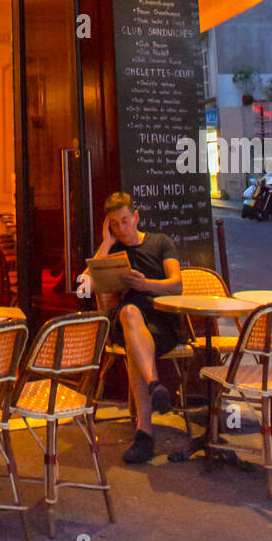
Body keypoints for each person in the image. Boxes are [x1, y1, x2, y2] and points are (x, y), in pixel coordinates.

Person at [93, 191, 183, 465]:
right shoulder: (115, 251)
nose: (122, 229)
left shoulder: (160, 242)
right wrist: (105, 244)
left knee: (134, 345)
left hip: (163, 321)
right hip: (130, 318)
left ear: (136, 217)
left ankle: (145, 434)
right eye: (114, 225)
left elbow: (177, 284)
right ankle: (154, 385)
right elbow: (88, 284)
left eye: (124, 221)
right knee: (130, 313)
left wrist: (147, 285)